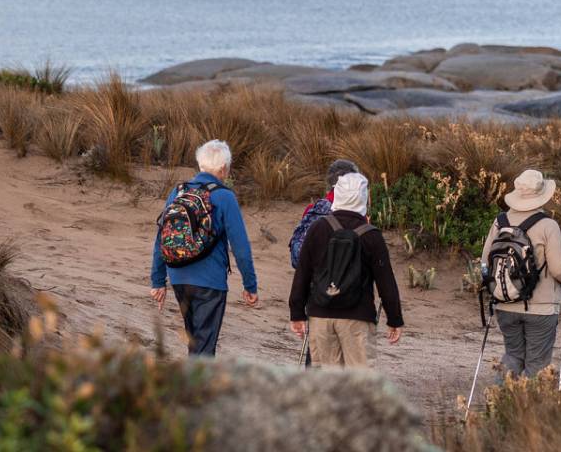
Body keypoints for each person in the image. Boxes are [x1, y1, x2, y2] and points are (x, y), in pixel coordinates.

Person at [287, 165, 404, 367]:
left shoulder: (318, 228)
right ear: (363, 198)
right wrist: (394, 319)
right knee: (356, 386)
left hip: (321, 314)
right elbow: (386, 282)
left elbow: (303, 274)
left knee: (323, 384)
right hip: (357, 318)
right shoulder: (371, 235)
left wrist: (297, 313)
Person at [150, 139, 258, 356]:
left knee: (195, 343)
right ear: (223, 169)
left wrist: (158, 281)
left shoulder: (178, 191)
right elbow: (241, 247)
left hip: (179, 277)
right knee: (204, 348)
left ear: (200, 164)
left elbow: (162, 237)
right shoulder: (225, 196)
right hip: (210, 282)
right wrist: (250, 285)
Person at [481, 168, 561, 378]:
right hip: (541, 309)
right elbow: (559, 270)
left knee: (513, 355)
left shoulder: (500, 222)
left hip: (505, 303)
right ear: (542, 196)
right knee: (537, 364)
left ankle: (500, 402)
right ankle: (528, 408)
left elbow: (485, 263)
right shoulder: (548, 225)